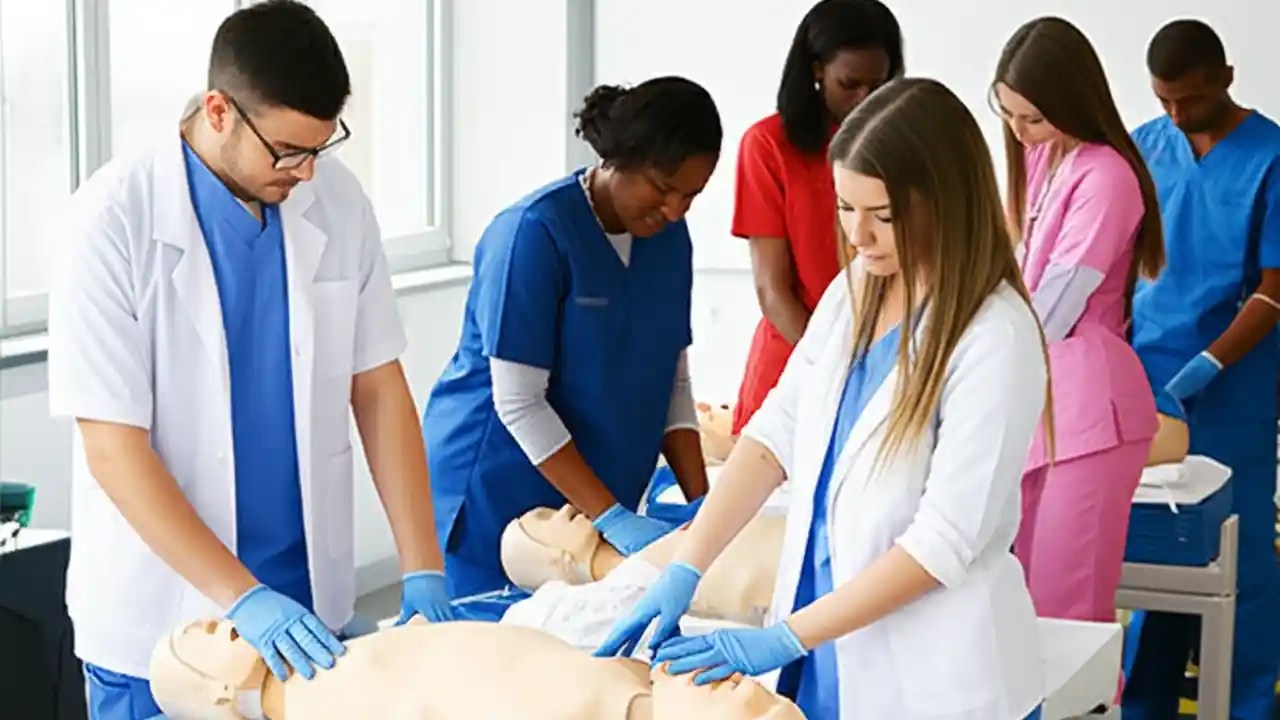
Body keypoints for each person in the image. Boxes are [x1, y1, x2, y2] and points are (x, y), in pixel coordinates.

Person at [46, 2, 453, 718]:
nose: (305, 171)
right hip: (165, 626)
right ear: (218, 111)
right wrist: (242, 596)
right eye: (289, 151)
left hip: (307, 615)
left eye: (321, 149)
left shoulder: (336, 201)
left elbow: (378, 386)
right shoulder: (111, 221)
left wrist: (421, 564)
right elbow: (113, 446)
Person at [597, 77, 1050, 720]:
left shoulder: (994, 336)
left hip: (932, 682)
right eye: (844, 208)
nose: (858, 236)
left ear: (944, 201)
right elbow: (772, 436)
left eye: (883, 216)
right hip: (824, 661)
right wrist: (684, 566)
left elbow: (942, 542)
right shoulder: (855, 292)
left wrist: (786, 638)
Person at [423, 77, 722, 599]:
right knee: (494, 652)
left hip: (596, 489)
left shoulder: (668, 240)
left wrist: (706, 512)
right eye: (663, 187)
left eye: (691, 196)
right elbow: (518, 402)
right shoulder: (533, 233)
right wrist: (611, 517)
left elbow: (671, 380)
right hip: (500, 478)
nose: (675, 210)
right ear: (618, 158)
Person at [1121, 20, 1280, 720]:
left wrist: (1210, 361)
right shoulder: (1142, 147)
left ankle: (1247, 705)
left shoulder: (1272, 156)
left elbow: (1275, 287)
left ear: (1226, 76)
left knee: (1239, 561)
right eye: (1165, 102)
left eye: (1189, 99)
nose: (1177, 115)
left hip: (1233, 386)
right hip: (1145, 381)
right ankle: (1145, 703)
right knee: (1155, 552)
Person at [991, 16, 1163, 623]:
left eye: (1031, 117)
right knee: (1021, 605)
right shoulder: (1044, 162)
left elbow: (1055, 310)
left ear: (1072, 100)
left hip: (1091, 410)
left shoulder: (1108, 176)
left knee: (1067, 608)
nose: (1018, 131)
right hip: (1039, 405)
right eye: (1008, 114)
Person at [731, 0, 903, 435]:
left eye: (878, 84)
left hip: (882, 364)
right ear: (815, 70)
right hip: (798, 361)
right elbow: (773, 291)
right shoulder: (768, 145)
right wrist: (838, 368)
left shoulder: (900, 148)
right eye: (849, 83)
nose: (864, 98)